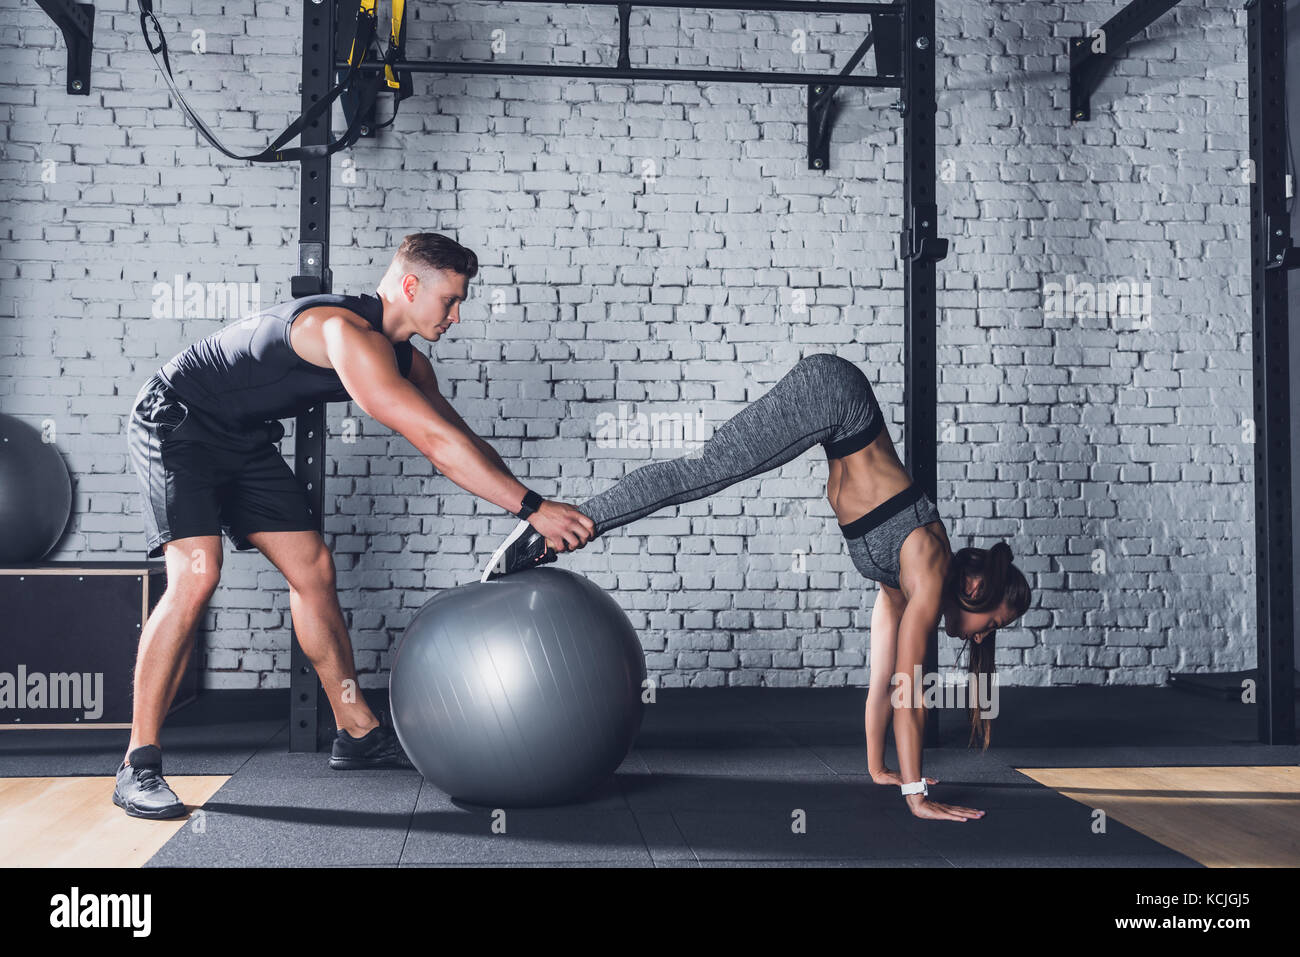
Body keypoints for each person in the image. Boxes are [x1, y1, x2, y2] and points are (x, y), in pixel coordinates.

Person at [118, 232, 594, 819]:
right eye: (450, 300)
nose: (456, 315)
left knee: (313, 568)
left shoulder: (407, 361)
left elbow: (459, 437)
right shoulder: (341, 332)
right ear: (411, 285)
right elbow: (435, 446)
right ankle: (137, 764)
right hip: (178, 421)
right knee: (197, 574)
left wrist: (533, 510)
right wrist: (532, 508)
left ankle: (358, 733)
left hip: (243, 438)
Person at [488, 352, 1033, 822]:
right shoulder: (927, 565)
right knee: (704, 471)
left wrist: (881, 770)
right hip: (836, 397)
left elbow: (885, 683)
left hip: (836, 412)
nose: (983, 639)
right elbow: (913, 692)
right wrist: (917, 796)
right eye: (994, 626)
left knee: (703, 471)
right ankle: (552, 531)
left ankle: (559, 529)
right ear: (979, 585)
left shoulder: (905, 586)